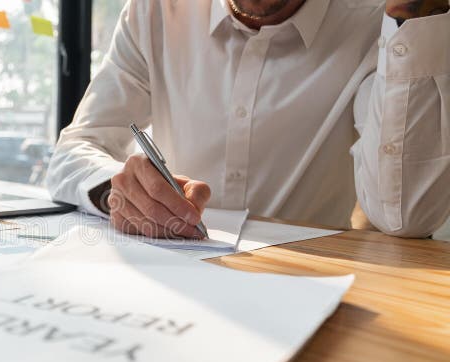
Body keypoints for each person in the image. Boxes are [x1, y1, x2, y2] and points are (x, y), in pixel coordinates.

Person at [46, 0, 450, 239]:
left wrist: (412, 16)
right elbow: (73, 152)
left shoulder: (378, 20)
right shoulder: (157, 10)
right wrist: (116, 190)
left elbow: (406, 217)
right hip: (169, 273)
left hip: (306, 285)